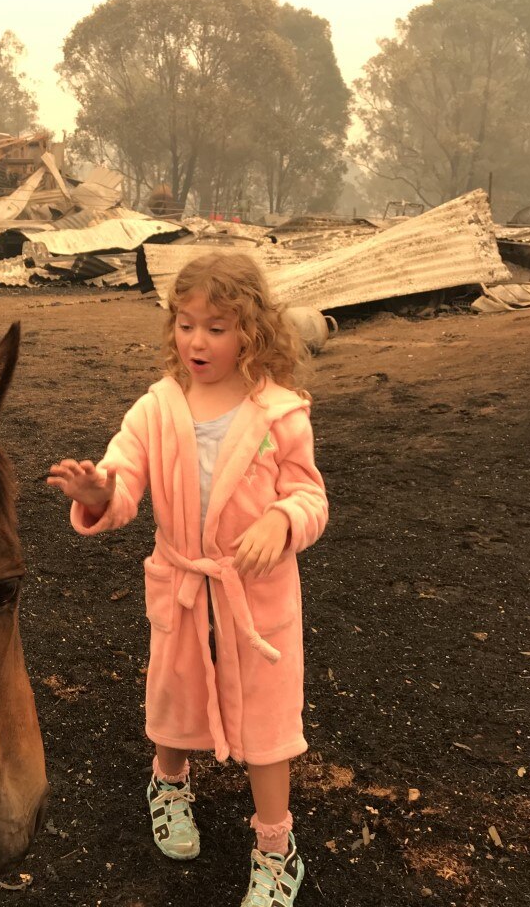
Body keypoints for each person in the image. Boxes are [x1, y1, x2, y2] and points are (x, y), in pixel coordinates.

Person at [47, 252, 328, 907]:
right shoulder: (156, 409)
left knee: (268, 725)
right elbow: (121, 485)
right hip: (180, 584)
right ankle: (168, 784)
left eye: (217, 327)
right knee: (175, 702)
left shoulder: (281, 413)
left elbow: (311, 498)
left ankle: (275, 848)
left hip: (257, 599)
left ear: (251, 332)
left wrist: (282, 522)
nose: (197, 341)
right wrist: (97, 491)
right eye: (186, 323)